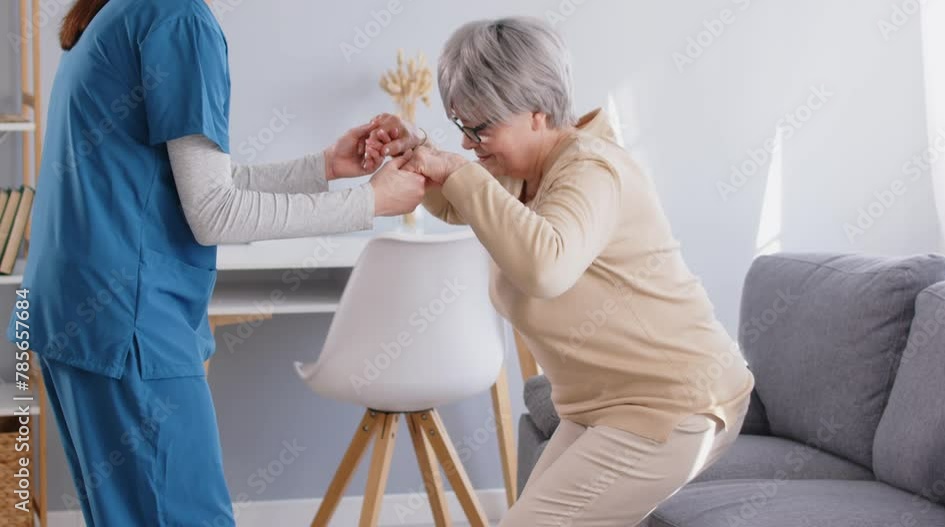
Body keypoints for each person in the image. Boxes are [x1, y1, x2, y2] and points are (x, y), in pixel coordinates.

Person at [4, 0, 425, 525]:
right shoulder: (179, 18)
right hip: (128, 327)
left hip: (74, 314)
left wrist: (321, 168)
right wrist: (371, 202)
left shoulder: (124, 10)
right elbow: (215, 213)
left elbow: (188, 187)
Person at [367, 17, 757, 526]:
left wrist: (456, 171)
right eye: (462, 127)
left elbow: (545, 267)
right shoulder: (526, 172)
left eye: (480, 129)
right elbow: (458, 202)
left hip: (674, 402)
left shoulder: (591, 169)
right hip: (603, 406)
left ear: (537, 112)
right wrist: (415, 155)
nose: (467, 144)